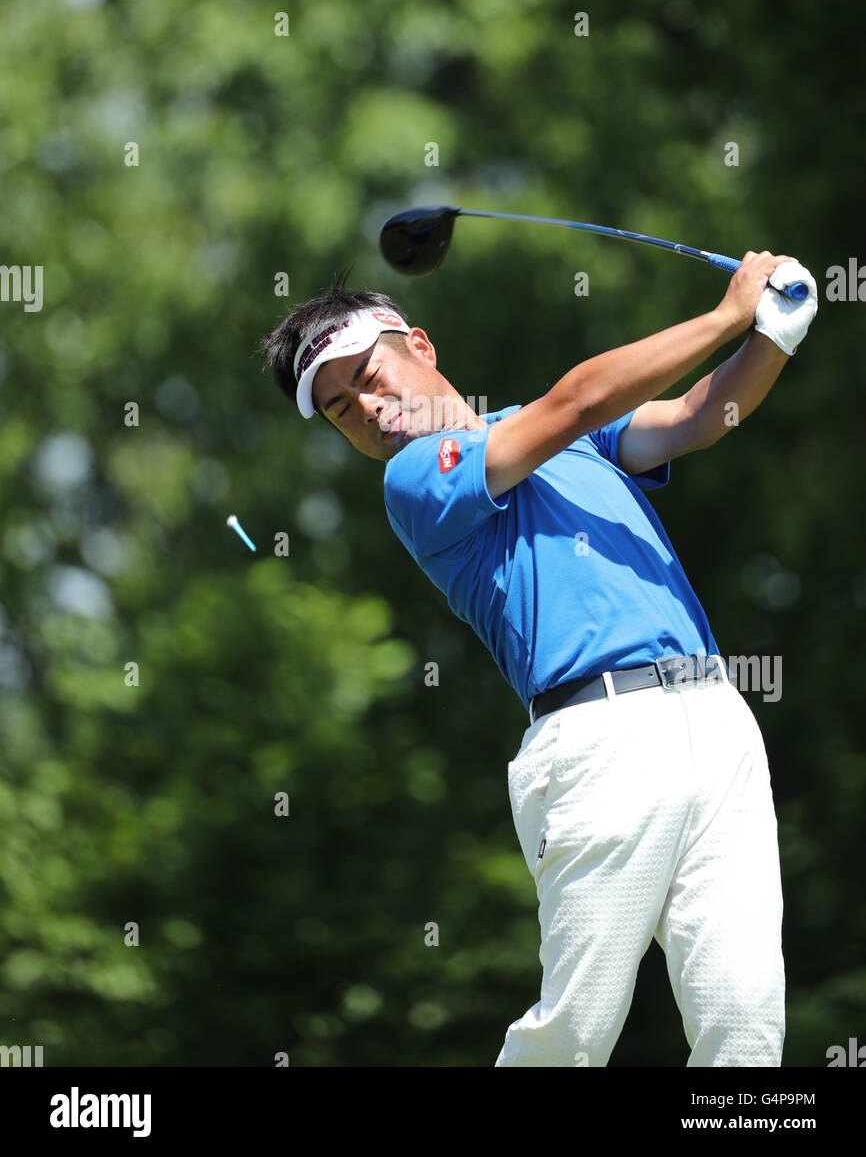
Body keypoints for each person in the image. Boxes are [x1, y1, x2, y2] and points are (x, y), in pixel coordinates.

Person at [258, 250, 818, 1066]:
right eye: (343, 411)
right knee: (576, 1033)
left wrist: (772, 334)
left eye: (370, 379)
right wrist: (726, 316)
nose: (369, 412)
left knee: (746, 1024)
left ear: (420, 345)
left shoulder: (563, 433)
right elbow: (579, 399)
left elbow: (700, 415)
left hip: (718, 720)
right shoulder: (417, 480)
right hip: (600, 741)